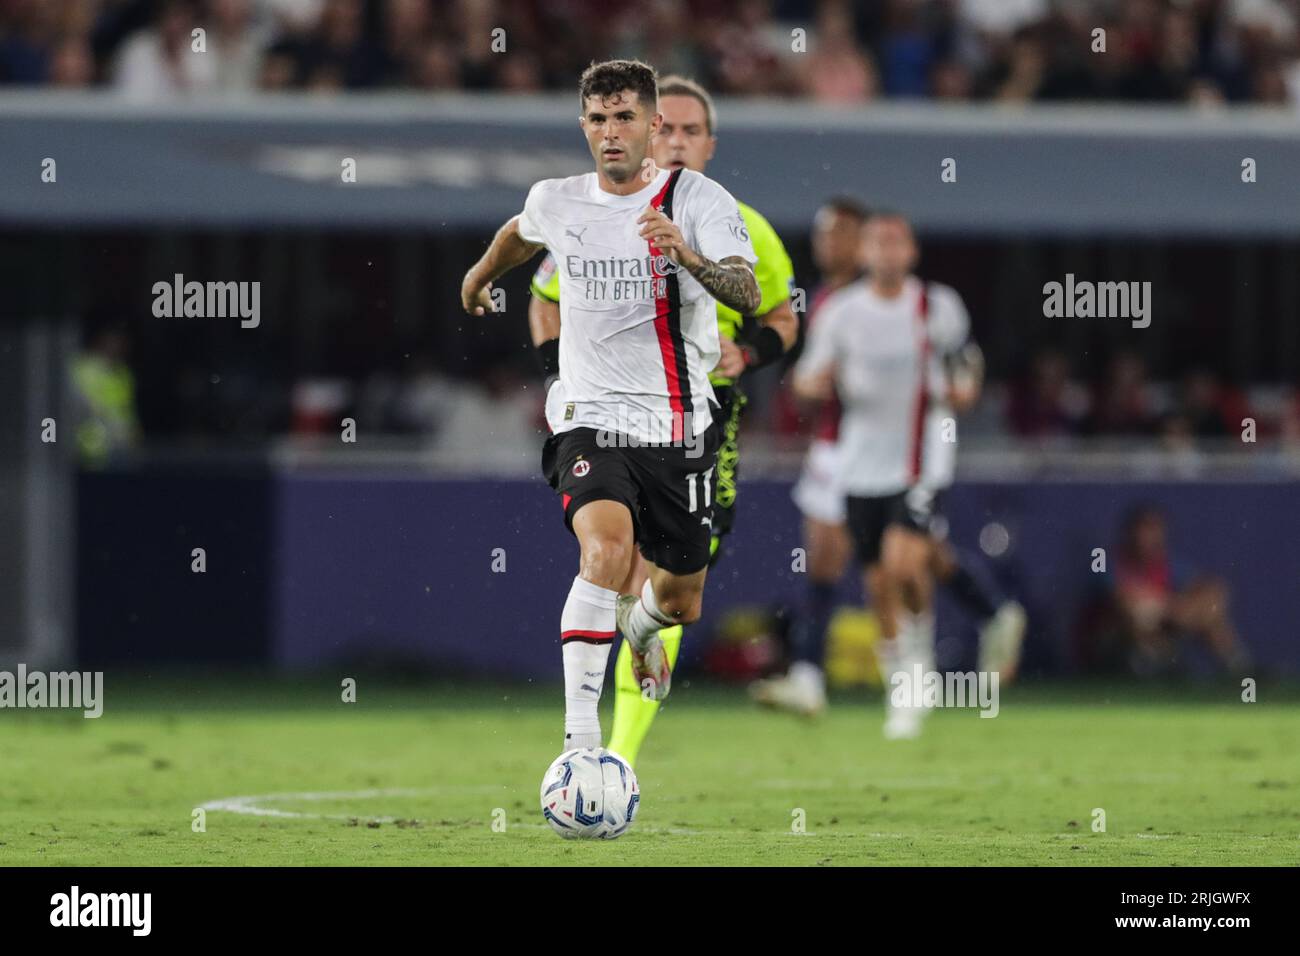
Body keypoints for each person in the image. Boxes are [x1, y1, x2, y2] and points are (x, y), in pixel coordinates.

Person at [460, 59, 758, 755]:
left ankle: (642, 628)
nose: (611, 133)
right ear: (583, 127)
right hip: (589, 419)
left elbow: (744, 292)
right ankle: (579, 745)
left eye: (625, 118)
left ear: (654, 126)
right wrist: (478, 276)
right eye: (598, 119)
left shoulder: (699, 200)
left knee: (679, 598)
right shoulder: (559, 199)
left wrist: (687, 255)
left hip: (679, 425)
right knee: (604, 552)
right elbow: (519, 231)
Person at [526, 75, 797, 766]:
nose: (673, 141)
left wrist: (752, 351)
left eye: (689, 131)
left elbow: (783, 314)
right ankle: (604, 751)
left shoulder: (742, 221)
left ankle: (638, 648)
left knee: (674, 591)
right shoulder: (593, 208)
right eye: (665, 128)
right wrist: (563, 372)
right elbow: (543, 293)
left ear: (709, 144)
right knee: (613, 559)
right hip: (612, 414)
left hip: (703, 416)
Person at [779, 210, 973, 738]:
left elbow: (966, 364)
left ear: (911, 252)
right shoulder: (840, 312)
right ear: (864, 253)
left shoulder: (938, 306)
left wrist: (965, 391)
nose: (887, 252)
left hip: (922, 457)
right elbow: (805, 378)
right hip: (860, 460)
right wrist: (812, 386)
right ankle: (902, 685)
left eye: (896, 242)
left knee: (905, 561)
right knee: (879, 580)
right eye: (877, 243)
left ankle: (919, 662)